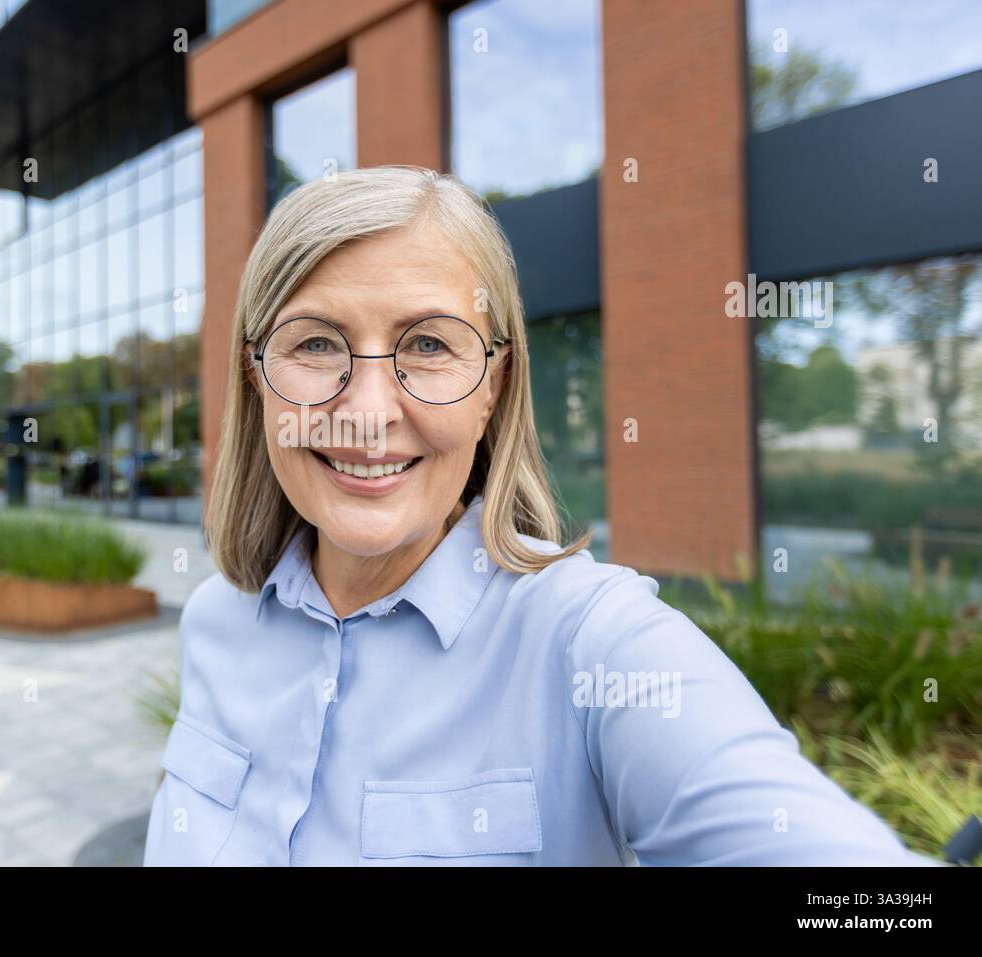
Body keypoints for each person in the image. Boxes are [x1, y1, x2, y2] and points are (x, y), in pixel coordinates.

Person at [143, 166, 937, 866]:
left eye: (427, 344)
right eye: (315, 344)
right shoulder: (217, 620)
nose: (368, 411)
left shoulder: (595, 642)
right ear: (255, 374)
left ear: (495, 383)